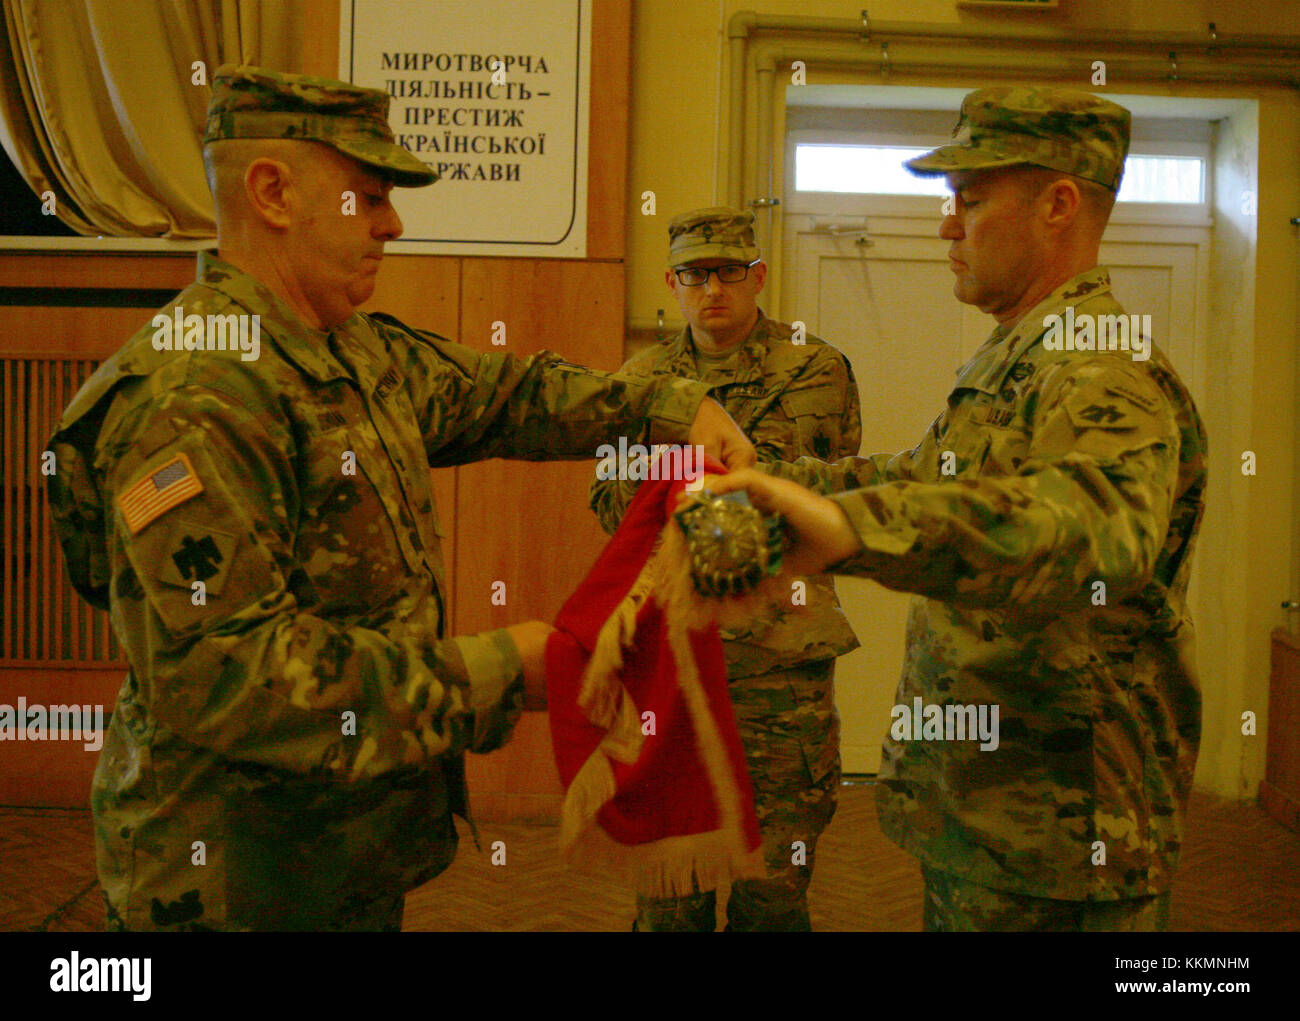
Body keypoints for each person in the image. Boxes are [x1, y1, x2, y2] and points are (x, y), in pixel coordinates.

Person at [45, 65, 755, 932]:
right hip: (231, 879)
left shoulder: (350, 351)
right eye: (368, 195)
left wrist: (670, 402)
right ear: (272, 192)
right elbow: (228, 676)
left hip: (338, 850)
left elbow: (510, 394)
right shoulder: (192, 396)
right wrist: (502, 667)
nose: (392, 221)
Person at [703, 86, 1207, 932]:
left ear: (1058, 205)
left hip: (1061, 834)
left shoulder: (1097, 366)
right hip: (995, 813)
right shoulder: (1027, 353)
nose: (945, 226)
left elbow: (1095, 529)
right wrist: (778, 480)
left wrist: (853, 531)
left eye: (969, 201)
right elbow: (928, 476)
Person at [590, 207, 861, 930]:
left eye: (729, 272)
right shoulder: (640, 380)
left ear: (758, 277)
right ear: (673, 282)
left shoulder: (817, 368)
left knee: (776, 888)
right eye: (695, 275)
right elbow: (606, 497)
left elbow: (835, 487)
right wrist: (672, 490)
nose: (712, 289)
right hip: (672, 658)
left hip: (782, 657)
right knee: (670, 891)